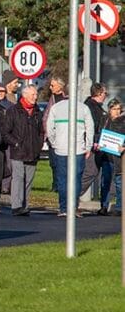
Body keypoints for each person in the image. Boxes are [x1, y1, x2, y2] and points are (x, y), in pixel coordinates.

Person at [46, 82, 94, 218]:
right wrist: (88, 146)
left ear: (64, 92)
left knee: (62, 179)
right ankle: (73, 207)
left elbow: (49, 129)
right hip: (78, 149)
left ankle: (63, 208)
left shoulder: (56, 108)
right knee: (76, 179)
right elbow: (89, 128)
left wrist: (54, 143)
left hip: (61, 149)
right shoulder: (83, 108)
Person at [0, 84, 44, 216]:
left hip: (33, 150)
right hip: (18, 150)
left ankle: (24, 204)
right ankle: (16, 206)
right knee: (18, 177)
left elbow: (41, 131)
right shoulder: (13, 111)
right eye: (33, 95)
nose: (35, 97)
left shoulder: (37, 112)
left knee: (28, 179)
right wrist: (15, 143)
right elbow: (5, 131)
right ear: (25, 96)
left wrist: (39, 144)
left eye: (36, 95)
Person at [85, 83, 113, 211]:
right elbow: (93, 127)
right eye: (105, 94)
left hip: (102, 146)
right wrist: (95, 142)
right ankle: (71, 199)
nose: (105, 96)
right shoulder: (91, 108)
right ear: (99, 93)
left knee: (105, 176)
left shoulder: (98, 108)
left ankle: (104, 206)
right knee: (90, 173)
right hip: (95, 146)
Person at [101, 99, 124, 216]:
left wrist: (124, 147)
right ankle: (104, 206)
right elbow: (100, 134)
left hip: (119, 158)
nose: (116, 111)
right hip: (106, 156)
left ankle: (119, 208)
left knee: (119, 183)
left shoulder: (123, 121)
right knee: (105, 181)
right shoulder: (105, 120)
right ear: (109, 109)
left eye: (118, 109)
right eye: (114, 109)